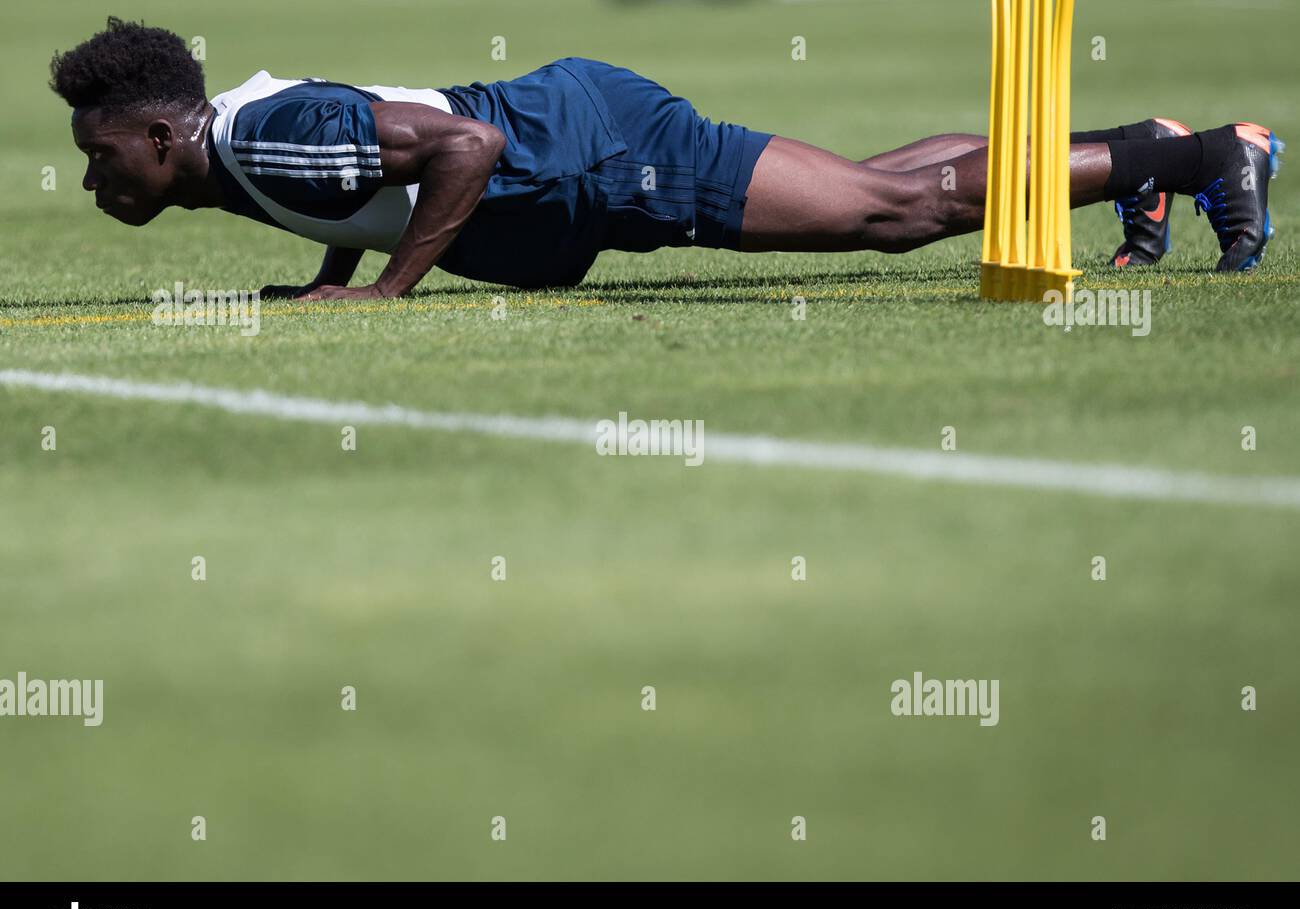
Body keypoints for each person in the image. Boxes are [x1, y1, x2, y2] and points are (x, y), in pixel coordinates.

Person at [51, 17, 1282, 300]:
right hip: (583, 129)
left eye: (106, 158)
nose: (99, 183)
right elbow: (362, 177)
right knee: (869, 183)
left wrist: (382, 296)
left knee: (891, 216)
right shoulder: (252, 149)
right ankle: (1148, 148)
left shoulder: (257, 138)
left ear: (161, 135)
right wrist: (331, 280)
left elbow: (463, 145)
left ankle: (1203, 160)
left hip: (591, 150)